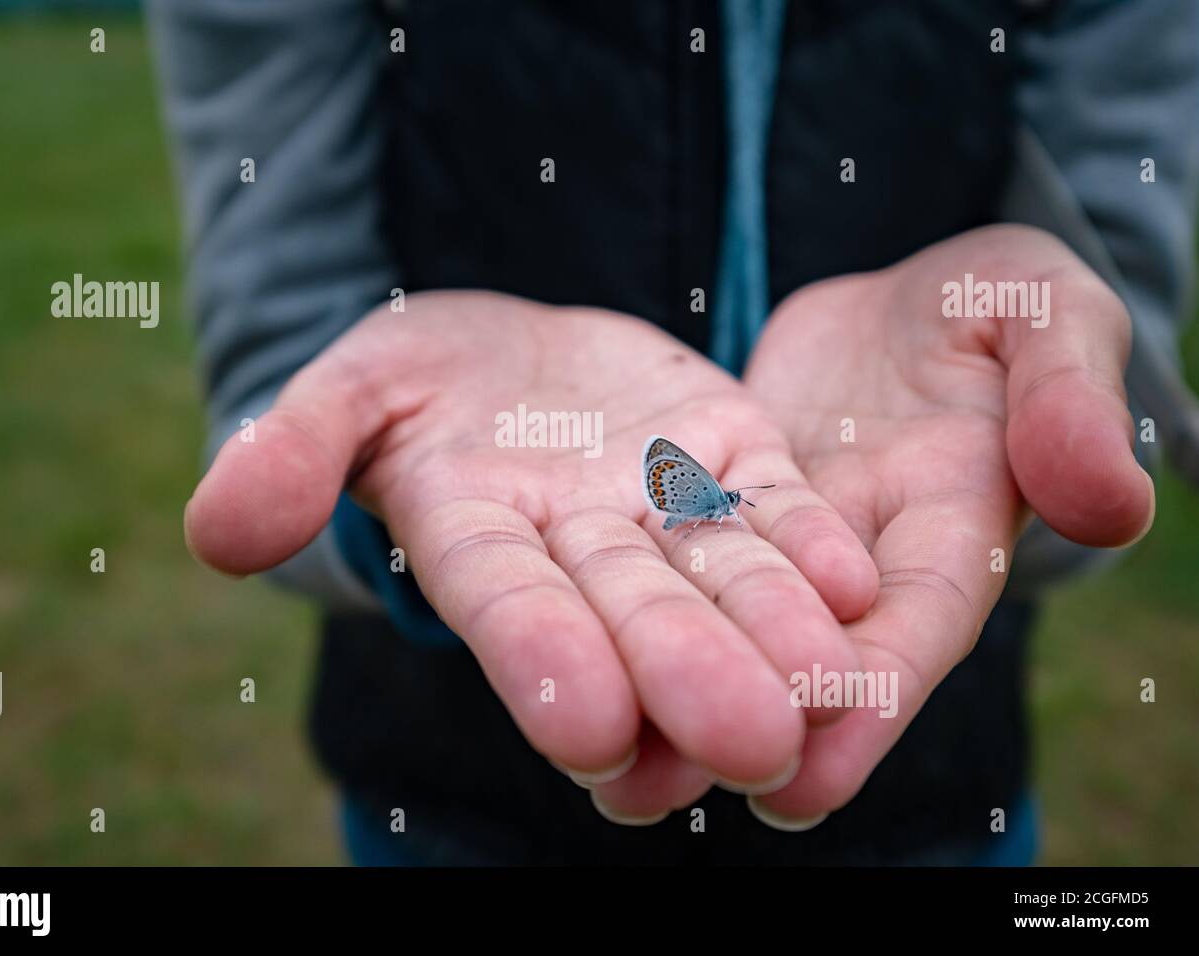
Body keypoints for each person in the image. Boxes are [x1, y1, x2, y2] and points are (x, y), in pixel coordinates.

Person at [149, 0, 1197, 865]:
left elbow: (1110, 301)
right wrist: (381, 502)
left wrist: (1022, 455)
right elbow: (281, 334)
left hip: (925, 786)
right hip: (454, 792)